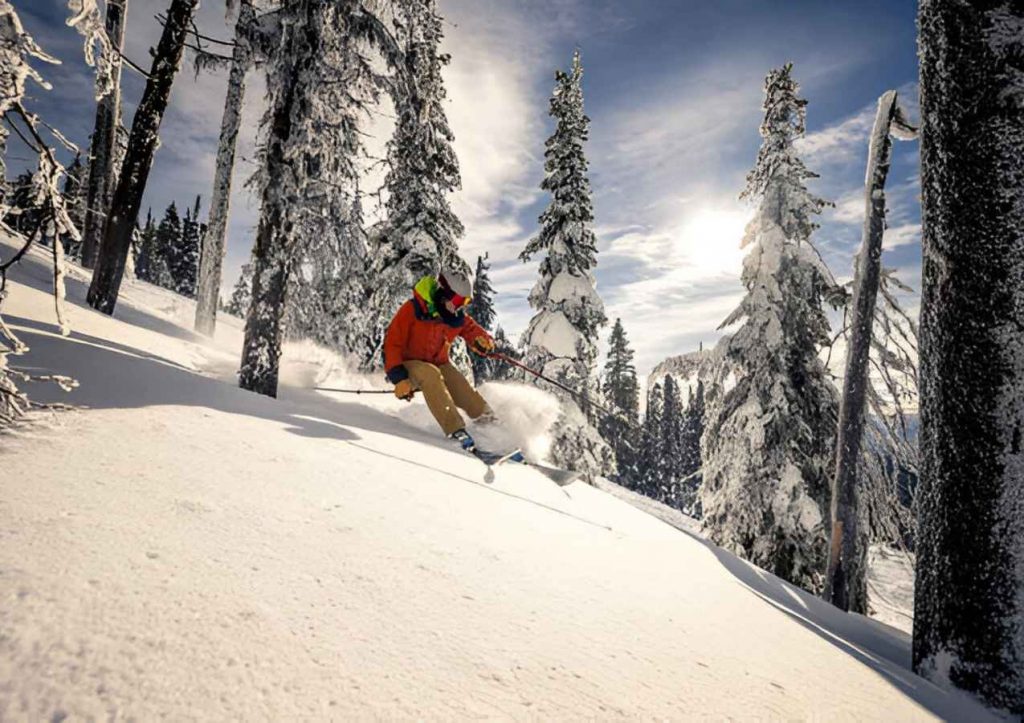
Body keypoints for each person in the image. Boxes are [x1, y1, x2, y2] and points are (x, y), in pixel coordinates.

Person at [383, 270, 496, 451]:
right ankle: (455, 429)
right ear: (445, 293)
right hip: (409, 365)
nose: (460, 307)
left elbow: (471, 330)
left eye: (465, 302)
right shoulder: (413, 309)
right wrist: (399, 378)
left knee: (461, 386)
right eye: (459, 301)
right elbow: (392, 344)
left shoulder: (454, 316)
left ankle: (492, 425)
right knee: (430, 373)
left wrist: (483, 341)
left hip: (439, 363)